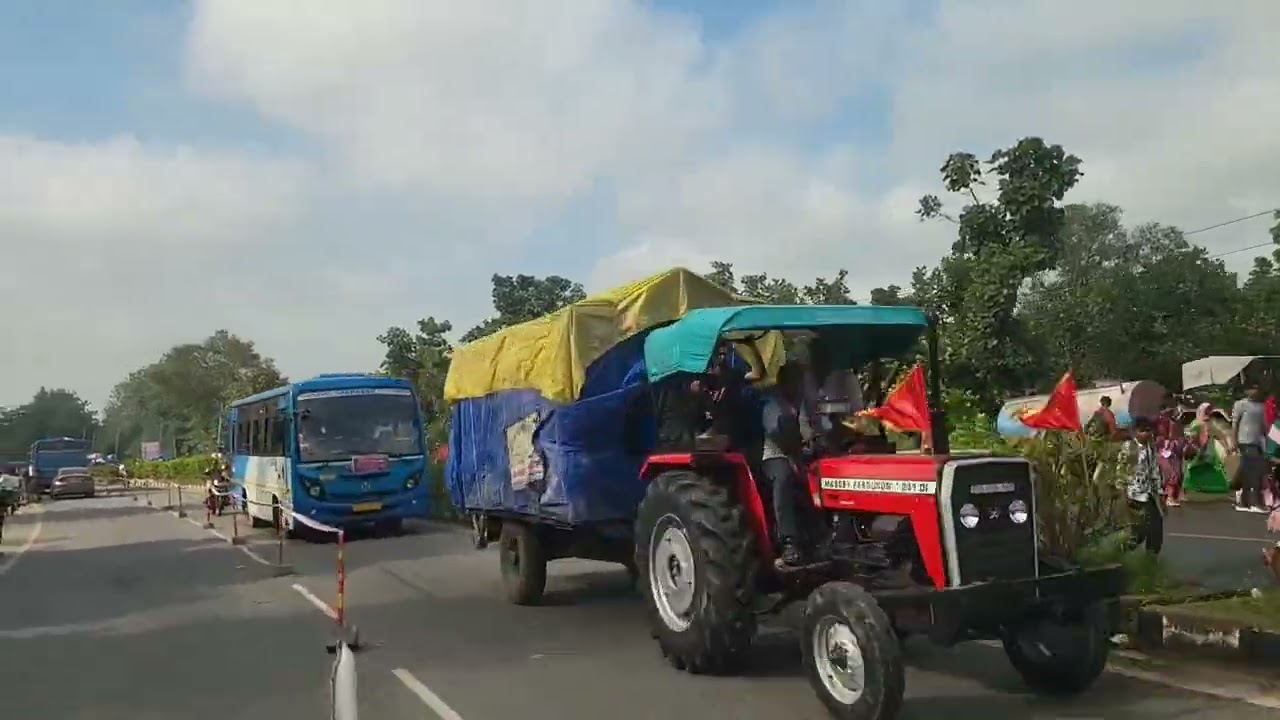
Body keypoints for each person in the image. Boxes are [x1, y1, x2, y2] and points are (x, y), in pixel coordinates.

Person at [760, 362, 810, 568]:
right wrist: (794, 455)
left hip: (800, 453)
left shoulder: (802, 404)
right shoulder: (773, 405)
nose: (798, 386)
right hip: (775, 455)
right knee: (784, 478)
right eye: (795, 381)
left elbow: (808, 428)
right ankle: (789, 542)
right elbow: (778, 433)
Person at [1119, 416, 1165, 554]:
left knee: (1156, 526)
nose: (1146, 433)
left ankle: (1151, 556)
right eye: (1142, 431)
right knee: (1140, 529)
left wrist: (1160, 494)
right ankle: (1123, 549)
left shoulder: (1150, 448)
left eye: (1148, 430)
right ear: (1135, 432)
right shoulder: (1129, 447)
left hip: (1148, 494)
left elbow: (1154, 472)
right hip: (1134, 495)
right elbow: (1120, 469)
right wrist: (1121, 491)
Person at [1231, 382, 1270, 513]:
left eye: (1256, 388)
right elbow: (1235, 423)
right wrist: (1233, 440)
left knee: (1254, 471)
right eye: (1252, 388)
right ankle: (1254, 502)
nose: (1255, 391)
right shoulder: (1240, 404)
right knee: (1251, 471)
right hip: (1245, 441)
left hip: (1258, 441)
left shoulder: (1262, 406)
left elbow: (1264, 426)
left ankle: (1245, 502)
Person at [1156, 419, 1192, 507]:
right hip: (1165, 460)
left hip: (1174, 460)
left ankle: (1177, 495)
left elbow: (1184, 452)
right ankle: (1170, 497)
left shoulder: (1179, 440)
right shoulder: (1161, 440)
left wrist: (1188, 445)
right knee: (1173, 477)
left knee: (1179, 476)